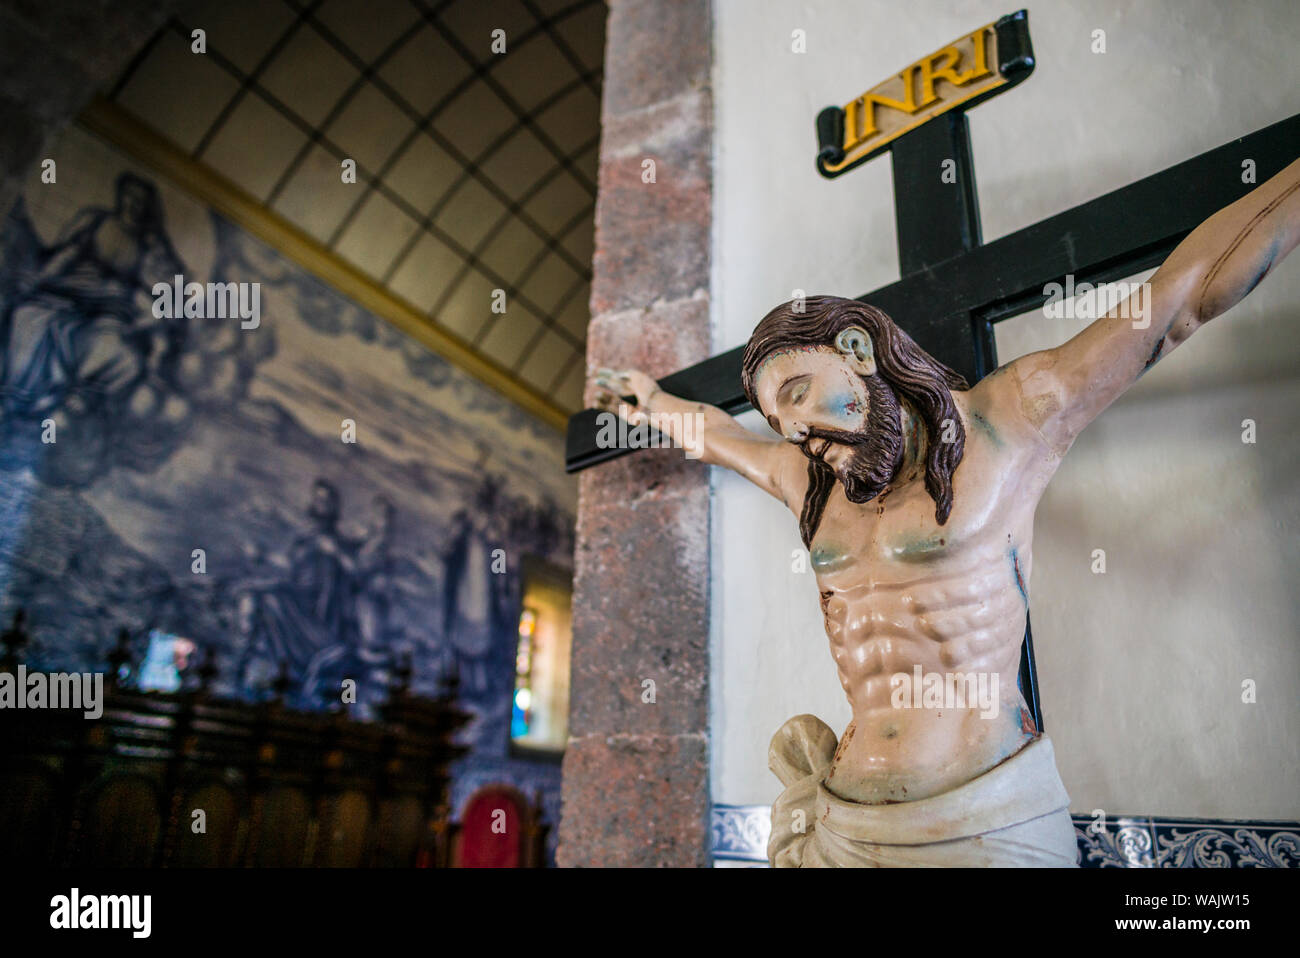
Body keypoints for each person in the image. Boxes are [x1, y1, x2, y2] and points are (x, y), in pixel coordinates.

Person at [592, 156, 1300, 867]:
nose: (797, 431)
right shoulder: (812, 486)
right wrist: (652, 404)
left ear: (857, 348)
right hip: (845, 818)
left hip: (984, 820)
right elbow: (717, 436)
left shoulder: (1015, 417)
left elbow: (1179, 303)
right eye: (781, 423)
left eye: (801, 393)